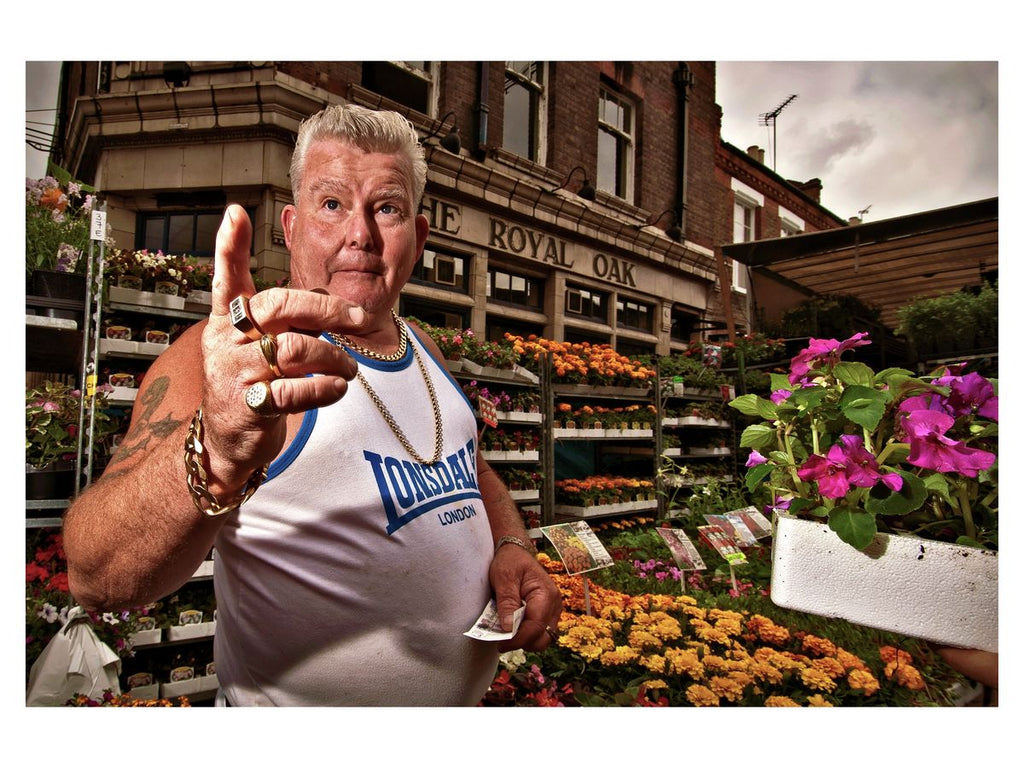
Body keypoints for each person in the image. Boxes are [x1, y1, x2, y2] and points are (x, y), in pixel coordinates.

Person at [63, 104, 563, 706]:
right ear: (291, 227)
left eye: (387, 208)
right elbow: (95, 576)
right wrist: (219, 451)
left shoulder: (422, 347)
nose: (361, 234)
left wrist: (513, 546)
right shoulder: (236, 358)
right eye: (333, 205)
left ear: (419, 238)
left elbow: (470, 467)